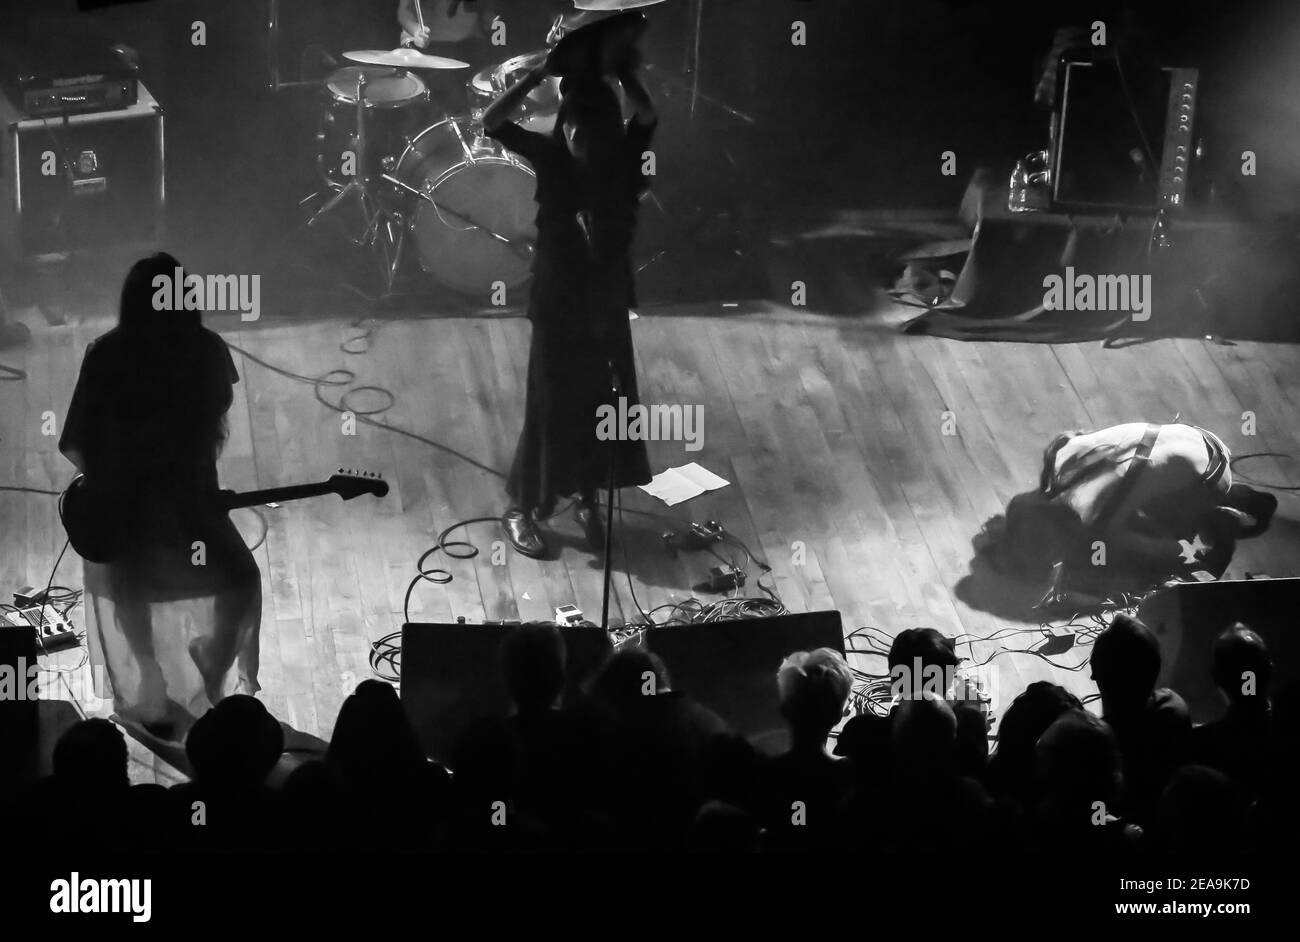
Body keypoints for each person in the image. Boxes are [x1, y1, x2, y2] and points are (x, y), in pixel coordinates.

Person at [59, 254, 261, 739]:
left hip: (159, 503)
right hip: (178, 504)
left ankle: (157, 669)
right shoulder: (205, 349)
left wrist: (118, 488)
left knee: (133, 583)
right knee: (239, 577)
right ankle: (194, 664)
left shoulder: (108, 353)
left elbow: (74, 441)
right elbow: (217, 410)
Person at [481, 32, 656, 557]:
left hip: (604, 296)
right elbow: (491, 123)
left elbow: (645, 115)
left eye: (592, 130)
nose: (580, 138)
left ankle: (585, 493)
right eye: (574, 127)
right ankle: (524, 505)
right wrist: (536, 76)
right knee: (550, 402)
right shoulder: (550, 156)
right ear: (564, 125)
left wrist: (621, 71)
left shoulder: (622, 158)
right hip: (559, 299)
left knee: (605, 398)